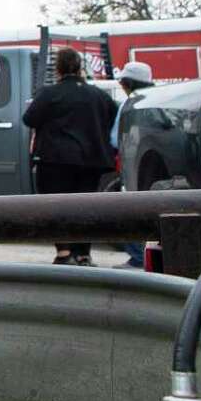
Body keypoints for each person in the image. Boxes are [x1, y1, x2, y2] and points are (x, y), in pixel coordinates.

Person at [23, 48, 119, 265]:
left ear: (57, 68)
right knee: (86, 207)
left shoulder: (50, 94)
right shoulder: (98, 95)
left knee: (56, 206)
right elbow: (113, 116)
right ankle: (83, 253)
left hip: (55, 160)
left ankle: (64, 252)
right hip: (92, 161)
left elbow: (29, 119)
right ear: (80, 67)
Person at [109, 60, 155, 268]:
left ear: (127, 83)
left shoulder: (128, 105)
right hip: (154, 167)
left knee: (129, 210)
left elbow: (114, 139)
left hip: (131, 165)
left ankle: (137, 257)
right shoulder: (157, 99)